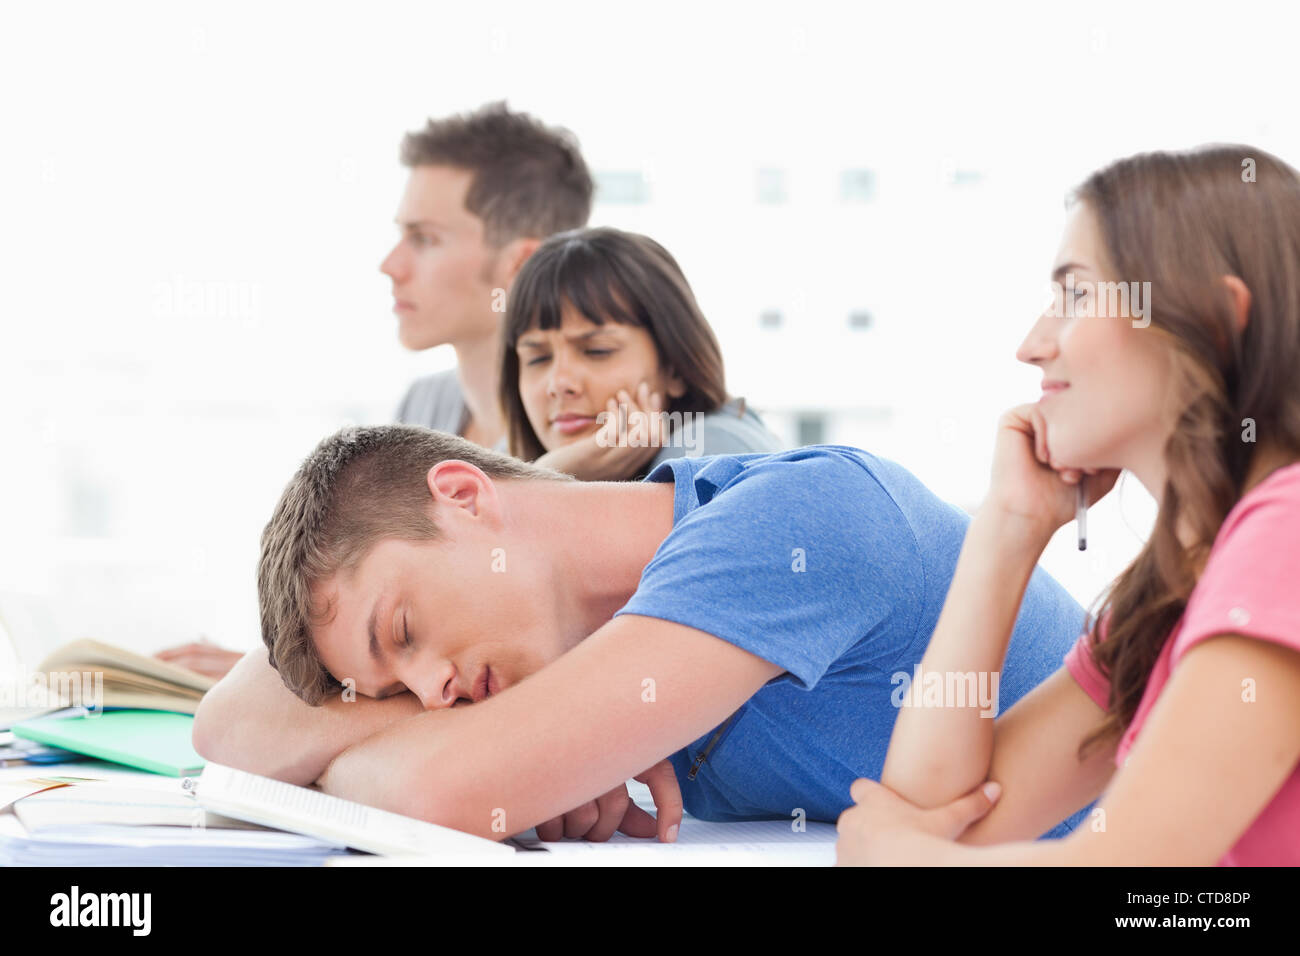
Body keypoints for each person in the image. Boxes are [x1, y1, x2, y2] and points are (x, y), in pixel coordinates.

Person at [192, 424, 1091, 844]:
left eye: (407, 631)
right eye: (397, 694)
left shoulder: (788, 523)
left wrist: (474, 763)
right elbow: (229, 731)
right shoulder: (607, 647)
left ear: (465, 496)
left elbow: (441, 794)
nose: (432, 693)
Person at [835, 145, 1300, 866]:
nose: (1031, 346)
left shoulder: (1289, 532)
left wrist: (903, 857)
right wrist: (1007, 530)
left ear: (1213, 320)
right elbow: (936, 811)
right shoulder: (1163, 605)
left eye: (1076, 295)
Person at [157, 102, 593, 679]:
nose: (392, 264)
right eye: (400, 235)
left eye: (425, 238)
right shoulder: (426, 410)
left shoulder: (597, 422)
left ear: (521, 266)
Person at [499, 227, 784, 479]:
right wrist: (547, 476)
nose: (559, 384)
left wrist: (541, 486)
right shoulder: (512, 457)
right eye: (537, 358)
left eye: (597, 351)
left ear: (674, 366)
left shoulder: (710, 451)